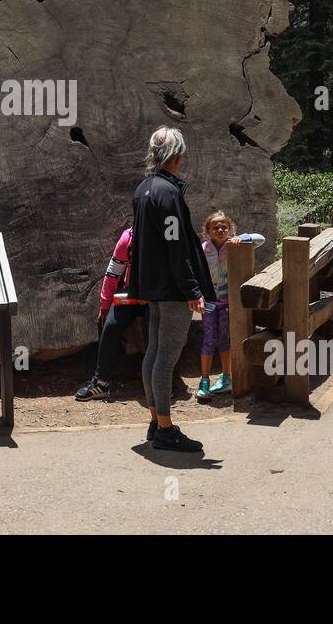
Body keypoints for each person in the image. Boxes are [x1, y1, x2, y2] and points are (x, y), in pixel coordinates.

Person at [126, 126, 214, 453]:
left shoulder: (144, 189)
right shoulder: (168, 193)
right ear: (177, 156)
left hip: (153, 286)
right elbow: (176, 245)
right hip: (173, 289)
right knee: (167, 357)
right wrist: (192, 289)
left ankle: (155, 421)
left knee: (154, 353)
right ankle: (165, 428)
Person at [74, 227, 147, 401]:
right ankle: (101, 383)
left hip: (157, 297)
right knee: (110, 326)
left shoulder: (165, 235)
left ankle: (163, 383)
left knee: (158, 329)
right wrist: (105, 305)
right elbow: (113, 274)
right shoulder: (128, 237)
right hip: (131, 293)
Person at [196, 211, 236, 402]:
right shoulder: (203, 249)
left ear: (230, 228)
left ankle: (226, 378)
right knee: (209, 339)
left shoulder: (234, 245)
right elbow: (195, 272)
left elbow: (260, 239)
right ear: (208, 231)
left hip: (228, 302)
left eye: (223, 226)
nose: (220, 230)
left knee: (225, 339)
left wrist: (243, 238)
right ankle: (204, 381)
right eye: (215, 227)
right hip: (209, 303)